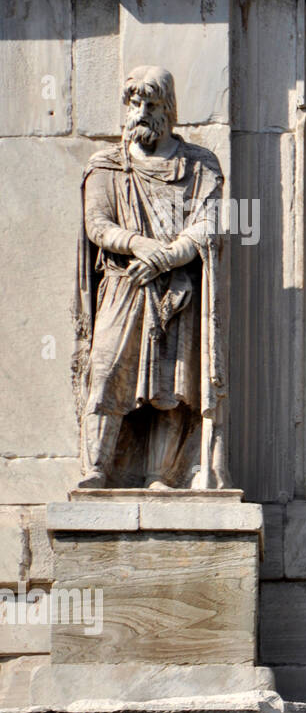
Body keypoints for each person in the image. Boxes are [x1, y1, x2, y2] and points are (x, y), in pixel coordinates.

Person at [74, 65, 229, 489]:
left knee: (173, 387)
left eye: (152, 104)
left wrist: (168, 257)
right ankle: (96, 469)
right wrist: (139, 245)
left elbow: (210, 223)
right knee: (105, 372)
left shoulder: (199, 165)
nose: (142, 112)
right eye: (135, 103)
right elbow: (97, 223)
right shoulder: (107, 165)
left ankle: (161, 475)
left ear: (169, 108)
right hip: (124, 283)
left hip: (177, 288)